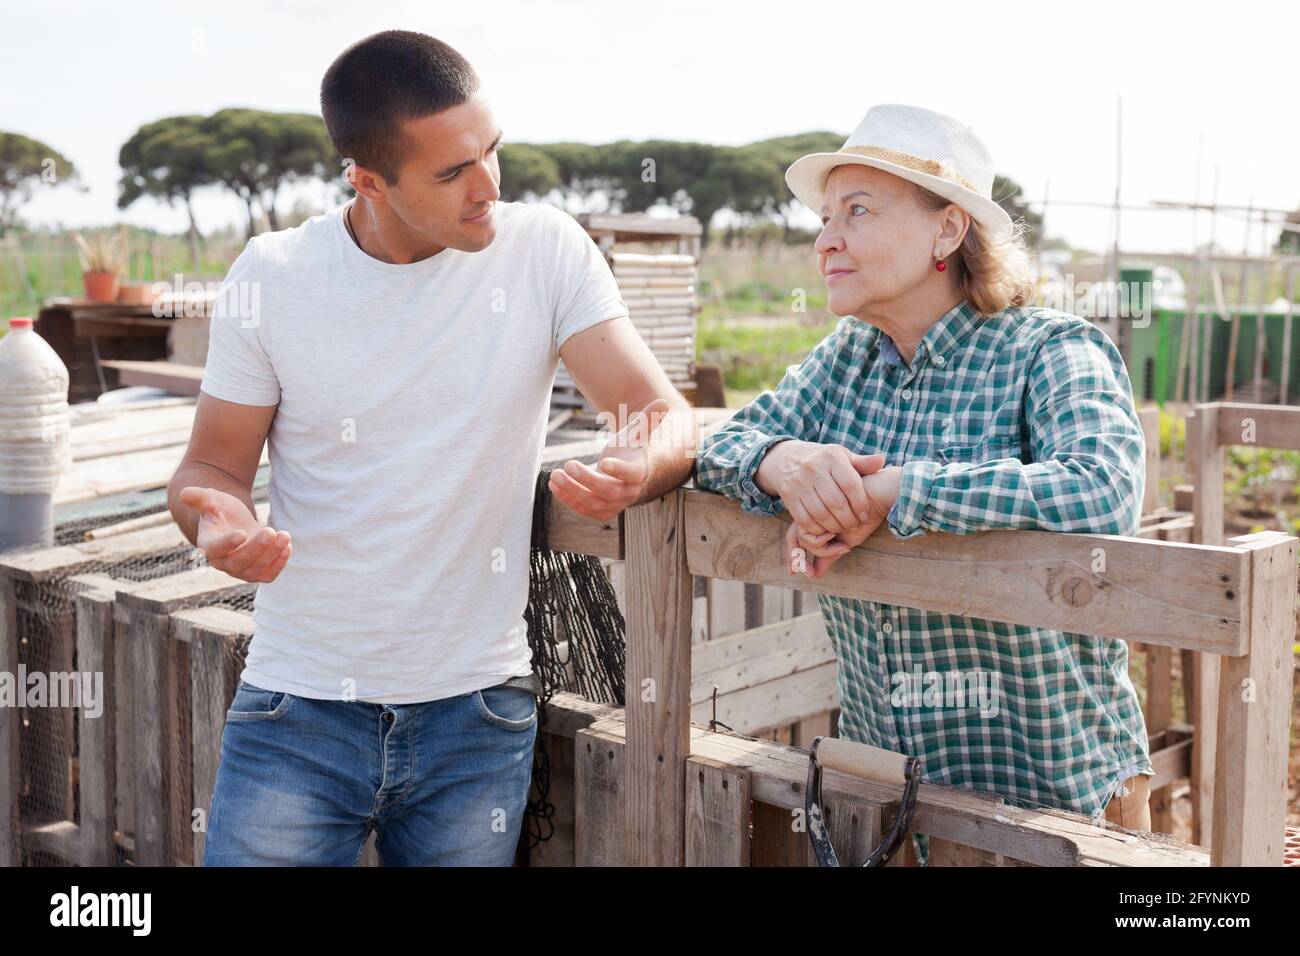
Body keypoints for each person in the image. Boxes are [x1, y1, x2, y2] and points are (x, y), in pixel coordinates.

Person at [169, 30, 697, 866]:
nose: (489, 186)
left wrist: (641, 463)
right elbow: (211, 469)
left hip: (476, 719)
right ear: (368, 180)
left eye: (491, 151)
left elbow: (661, 415)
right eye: (453, 172)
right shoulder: (271, 275)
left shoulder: (546, 251)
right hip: (297, 710)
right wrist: (215, 522)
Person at [694, 104, 1153, 852]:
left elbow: (1101, 487)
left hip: (1049, 806)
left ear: (948, 231)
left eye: (858, 211)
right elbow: (722, 443)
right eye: (826, 216)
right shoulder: (846, 358)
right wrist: (782, 463)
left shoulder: (1050, 347)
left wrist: (900, 491)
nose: (827, 239)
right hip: (884, 798)